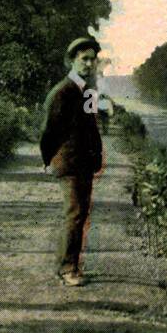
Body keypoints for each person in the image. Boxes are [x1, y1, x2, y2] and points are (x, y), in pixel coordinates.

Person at [39, 37, 104, 287]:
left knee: (80, 214)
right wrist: (48, 159)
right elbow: (48, 131)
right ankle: (67, 268)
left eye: (92, 59)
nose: (89, 63)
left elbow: (92, 128)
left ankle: (70, 264)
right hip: (69, 163)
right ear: (72, 60)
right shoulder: (62, 91)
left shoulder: (88, 92)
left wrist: (97, 156)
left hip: (85, 163)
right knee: (75, 213)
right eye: (84, 59)